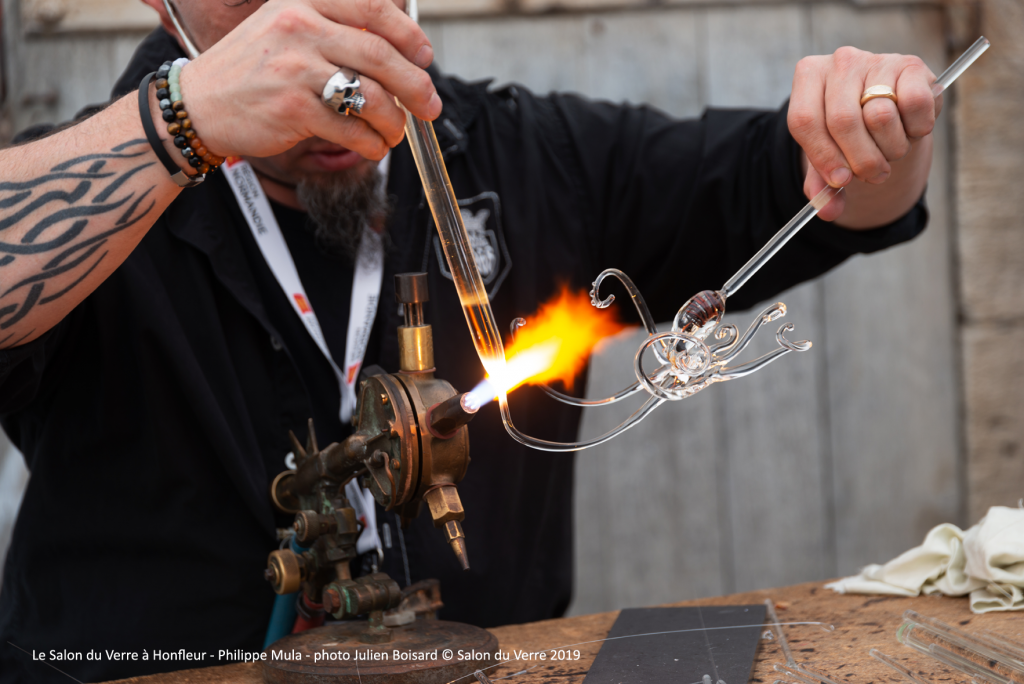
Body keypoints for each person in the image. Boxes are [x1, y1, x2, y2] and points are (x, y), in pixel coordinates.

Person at [0, 0, 939, 681]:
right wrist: (180, 124)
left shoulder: (530, 156)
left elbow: (811, 189)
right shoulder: (85, 189)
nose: (310, 27)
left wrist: (870, 123)